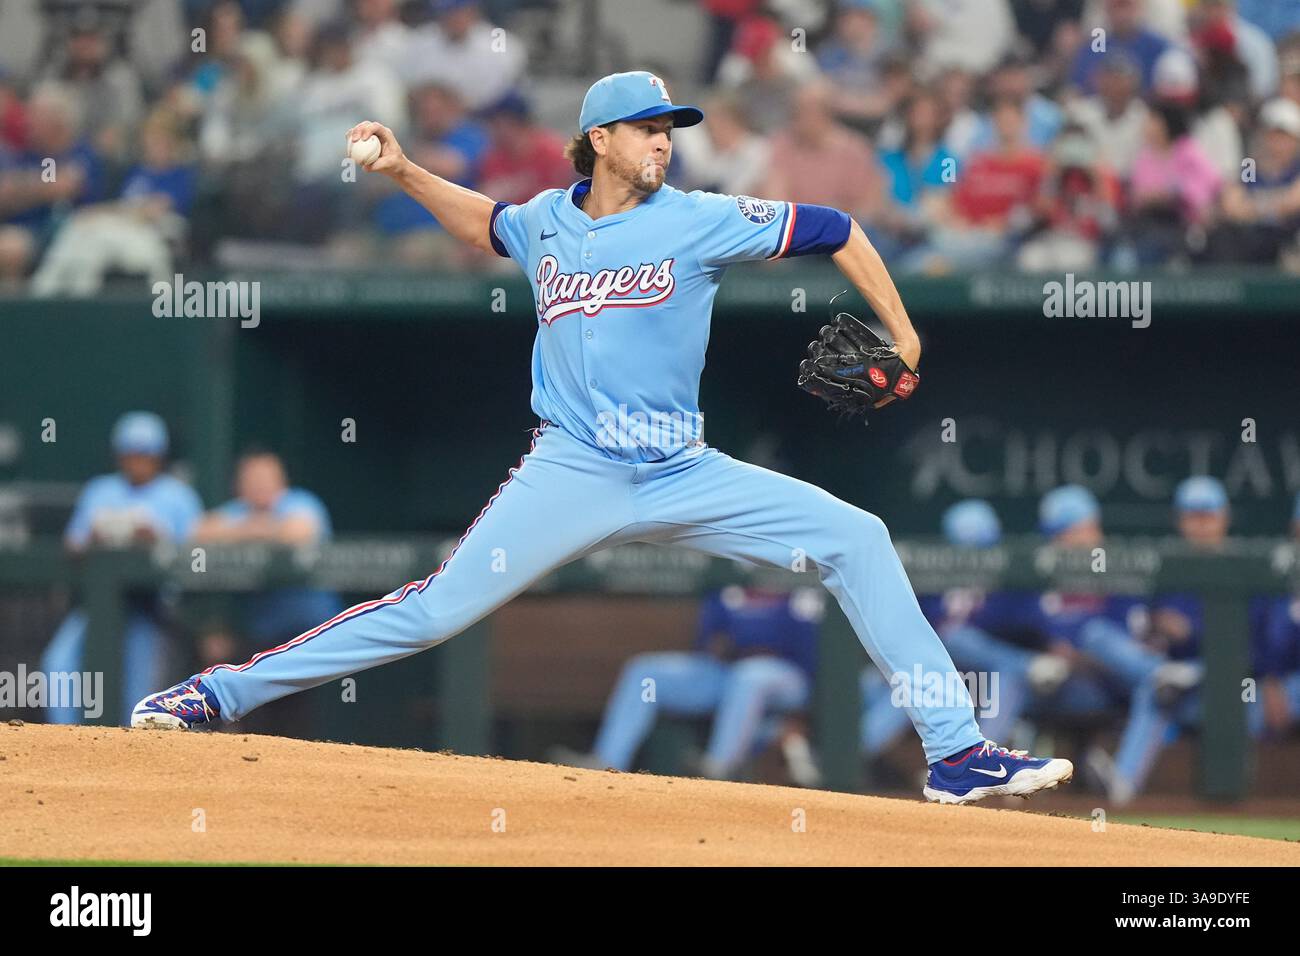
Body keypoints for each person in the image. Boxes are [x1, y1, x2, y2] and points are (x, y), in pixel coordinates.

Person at [133, 70, 1073, 806]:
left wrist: (904, 333)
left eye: (672, 129)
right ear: (600, 141)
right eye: (650, 128)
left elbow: (836, 227)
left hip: (680, 465)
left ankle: (955, 752)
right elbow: (488, 226)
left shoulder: (700, 220)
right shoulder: (546, 218)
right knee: (433, 610)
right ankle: (216, 693)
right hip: (572, 466)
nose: (666, 141)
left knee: (857, 537)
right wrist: (405, 169)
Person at [552, 586, 822, 784]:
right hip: (727, 674)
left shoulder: (796, 581)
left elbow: (810, 649)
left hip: (788, 679)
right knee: (646, 670)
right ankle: (607, 760)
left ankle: (719, 766)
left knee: (750, 675)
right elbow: (710, 640)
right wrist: (731, 645)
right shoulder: (730, 580)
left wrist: (757, 644)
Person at [40, 412, 203, 724]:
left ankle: (133, 760)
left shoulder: (179, 496)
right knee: (57, 664)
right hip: (100, 605)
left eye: (145, 453)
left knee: (139, 688)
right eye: (131, 453)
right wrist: (96, 538)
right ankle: (64, 741)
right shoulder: (100, 490)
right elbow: (72, 546)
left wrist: (158, 540)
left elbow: (197, 559)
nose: (138, 461)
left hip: (154, 608)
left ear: (159, 456)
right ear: (119, 455)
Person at [1085, 477, 1230, 804]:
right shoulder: (1164, 566)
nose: (1201, 525)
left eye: (1208, 515)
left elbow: (1253, 649)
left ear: (1224, 518)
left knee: (1162, 686)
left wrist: (1192, 632)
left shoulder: (1245, 566)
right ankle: (1122, 785)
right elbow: (1132, 616)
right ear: (1181, 520)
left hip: (1213, 676)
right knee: (1099, 636)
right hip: (1163, 673)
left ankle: (1122, 781)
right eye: (1194, 516)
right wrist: (1153, 631)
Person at [191, 451, 343, 704]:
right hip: (261, 635)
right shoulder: (239, 510)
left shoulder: (300, 501)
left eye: (266, 478)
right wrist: (258, 528)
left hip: (314, 634)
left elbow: (297, 532)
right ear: (239, 486)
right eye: (252, 479)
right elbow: (199, 532)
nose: (259, 485)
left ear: (281, 481)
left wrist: (242, 531)